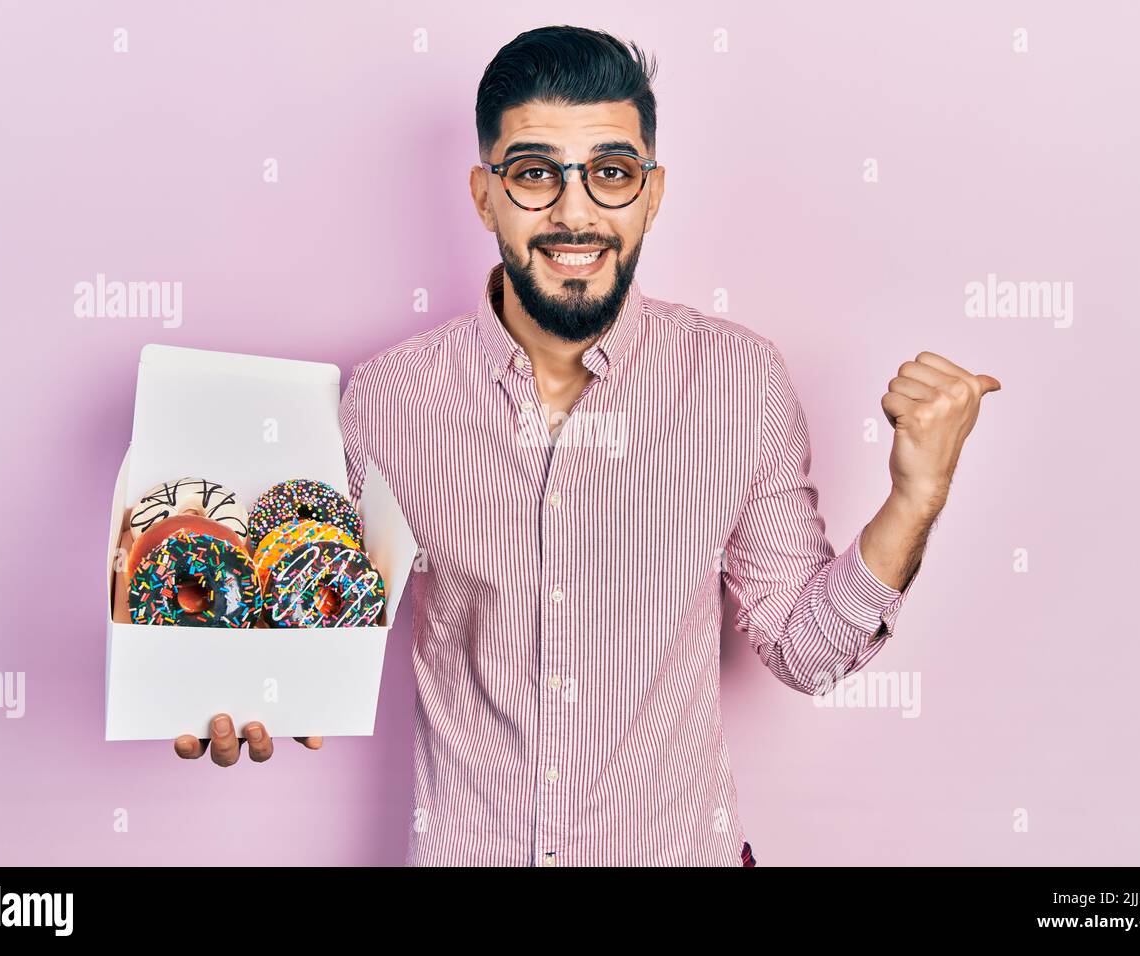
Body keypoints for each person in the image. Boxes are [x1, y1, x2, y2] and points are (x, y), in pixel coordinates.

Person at [173, 25, 1000, 866]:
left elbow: (804, 652)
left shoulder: (739, 383)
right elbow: (312, 619)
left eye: (611, 173)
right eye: (534, 174)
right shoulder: (388, 401)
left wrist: (916, 500)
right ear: (484, 195)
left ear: (652, 193)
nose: (575, 212)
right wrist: (243, 687)